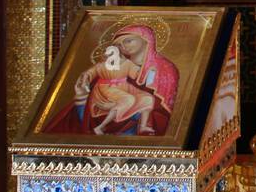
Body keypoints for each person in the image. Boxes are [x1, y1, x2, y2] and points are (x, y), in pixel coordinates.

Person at [47, 25, 179, 137]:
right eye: (118, 45)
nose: (123, 47)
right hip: (104, 114)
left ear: (146, 39)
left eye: (128, 41)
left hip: (136, 123)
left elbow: (163, 108)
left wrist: (116, 106)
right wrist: (83, 94)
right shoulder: (108, 68)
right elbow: (90, 101)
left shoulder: (164, 68)